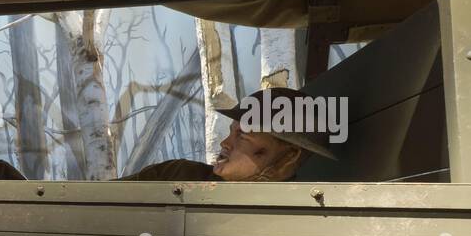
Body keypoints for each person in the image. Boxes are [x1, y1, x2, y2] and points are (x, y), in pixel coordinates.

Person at [123, 87, 336, 182]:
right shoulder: (175, 175)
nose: (225, 143)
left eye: (242, 135)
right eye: (231, 132)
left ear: (290, 155)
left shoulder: (299, 222)